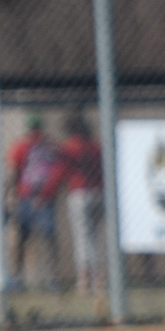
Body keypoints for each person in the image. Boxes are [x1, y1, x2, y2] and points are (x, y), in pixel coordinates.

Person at [5, 113, 66, 292]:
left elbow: (13, 173)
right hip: (34, 197)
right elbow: (15, 170)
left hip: (35, 196)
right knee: (32, 238)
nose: (34, 133)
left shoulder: (45, 147)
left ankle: (47, 278)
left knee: (39, 238)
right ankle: (24, 278)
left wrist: (8, 193)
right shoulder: (30, 146)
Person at [57, 110, 106, 295]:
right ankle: (98, 280)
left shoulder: (69, 147)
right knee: (96, 238)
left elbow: (61, 171)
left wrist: (47, 192)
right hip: (99, 193)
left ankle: (85, 281)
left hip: (79, 194)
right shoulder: (95, 146)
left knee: (83, 239)